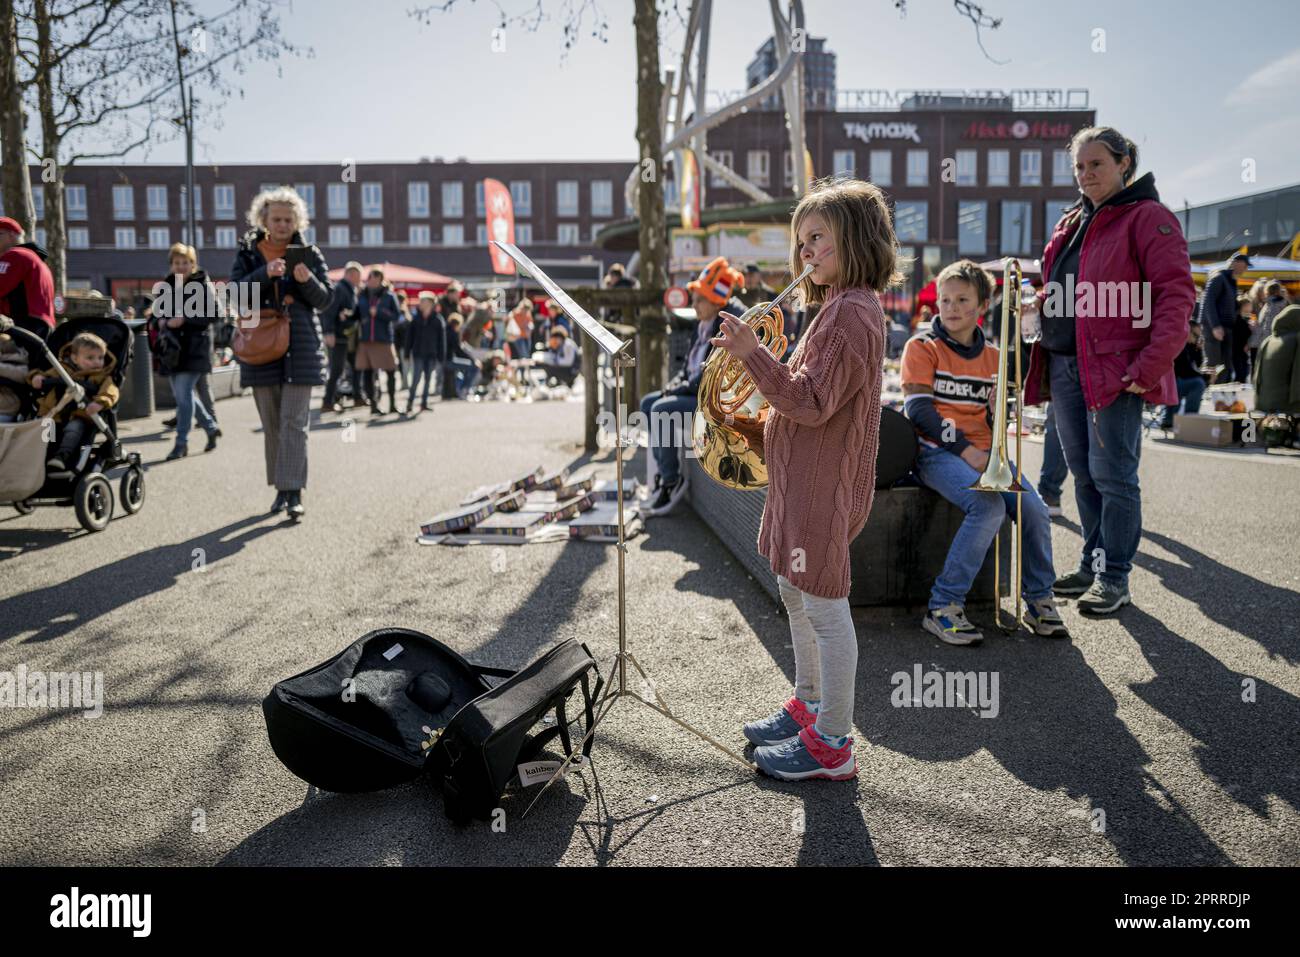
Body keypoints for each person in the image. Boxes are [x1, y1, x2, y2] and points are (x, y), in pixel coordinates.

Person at [712, 179, 890, 782]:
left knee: (824, 605)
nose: (805, 252)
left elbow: (810, 401)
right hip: (802, 482)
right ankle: (811, 705)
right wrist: (755, 425)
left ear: (857, 240)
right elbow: (812, 410)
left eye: (818, 238)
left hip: (821, 492)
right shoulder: (835, 308)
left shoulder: (851, 312)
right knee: (795, 591)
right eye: (801, 240)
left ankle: (833, 744)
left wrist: (750, 356)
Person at [1022, 126, 1196, 615]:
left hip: (1118, 370)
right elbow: (1064, 287)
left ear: (1124, 164)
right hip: (1064, 364)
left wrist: (1150, 365)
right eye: (1079, 166)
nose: (1085, 174)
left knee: (1114, 476)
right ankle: (1094, 564)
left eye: (1096, 164)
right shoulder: (1074, 220)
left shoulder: (1148, 217)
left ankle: (1114, 577)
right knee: (1083, 475)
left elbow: (1176, 295)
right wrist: (1037, 303)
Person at [901, 260, 1067, 645]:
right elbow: (919, 411)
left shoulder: (995, 357)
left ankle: (1039, 599)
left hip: (984, 454)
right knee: (989, 507)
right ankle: (942, 606)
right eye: (945, 299)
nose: (952, 307)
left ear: (981, 306)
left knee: (1035, 510)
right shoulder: (922, 346)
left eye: (962, 299)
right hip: (936, 453)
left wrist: (997, 414)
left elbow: (998, 421)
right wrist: (964, 450)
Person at [230, 186, 332, 519]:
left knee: (294, 423)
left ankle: (293, 492)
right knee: (272, 424)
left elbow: (325, 300)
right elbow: (236, 298)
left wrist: (307, 281)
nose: (283, 224)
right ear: (264, 219)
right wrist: (263, 273)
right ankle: (280, 489)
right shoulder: (247, 251)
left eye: (289, 219)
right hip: (261, 346)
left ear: (297, 220)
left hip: (300, 347)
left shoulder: (310, 253)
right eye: (277, 219)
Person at [640, 256, 746, 515]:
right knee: (647, 402)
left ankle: (671, 481)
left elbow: (708, 376)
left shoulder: (724, 327)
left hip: (712, 400)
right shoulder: (702, 326)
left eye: (699, 300)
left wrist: (677, 389)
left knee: (662, 409)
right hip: (695, 392)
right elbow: (688, 368)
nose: (694, 305)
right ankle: (661, 473)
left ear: (715, 301)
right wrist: (673, 386)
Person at [150, 243, 221, 460]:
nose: (181, 266)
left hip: (195, 349)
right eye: (177, 263)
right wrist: (160, 321)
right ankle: (210, 427)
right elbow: (154, 316)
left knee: (183, 397)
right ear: (171, 265)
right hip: (172, 350)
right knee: (185, 396)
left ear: (193, 264)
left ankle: (181, 443)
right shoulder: (167, 285)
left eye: (186, 262)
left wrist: (185, 319)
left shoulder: (202, 284)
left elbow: (216, 314)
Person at [28, 332, 118, 472]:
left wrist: (100, 402)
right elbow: (44, 376)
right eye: (90, 358)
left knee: (73, 429)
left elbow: (111, 391)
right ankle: (42, 459)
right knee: (46, 433)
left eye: (100, 357)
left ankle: (61, 457)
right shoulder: (61, 370)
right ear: (74, 358)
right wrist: (36, 377)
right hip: (53, 414)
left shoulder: (101, 377)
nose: (97, 362)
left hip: (80, 416)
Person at [0, 217, 55, 362]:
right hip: (39, 330)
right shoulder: (34, 258)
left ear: (11, 235)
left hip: (25, 331)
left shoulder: (15, 256)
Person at [354, 268, 402, 416]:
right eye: (369, 278)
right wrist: (348, 315)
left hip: (383, 339)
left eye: (374, 278)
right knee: (368, 374)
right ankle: (374, 405)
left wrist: (379, 313)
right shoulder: (362, 295)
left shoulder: (389, 295)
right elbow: (357, 314)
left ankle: (393, 404)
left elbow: (396, 316)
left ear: (380, 280)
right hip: (366, 340)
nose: (371, 281)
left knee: (390, 372)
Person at [1199, 252, 1249, 383]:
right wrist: (1215, 326)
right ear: (1236, 263)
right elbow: (1207, 301)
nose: (1246, 268)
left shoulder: (1231, 281)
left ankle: (1221, 399)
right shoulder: (1219, 277)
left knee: (1226, 367)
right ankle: (1207, 397)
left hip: (1225, 328)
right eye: (1245, 265)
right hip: (1214, 329)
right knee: (1214, 365)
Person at [320, 261, 361, 413]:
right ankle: (327, 402)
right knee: (337, 369)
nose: (360, 279)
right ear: (351, 274)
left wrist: (349, 315)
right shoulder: (340, 289)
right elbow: (329, 311)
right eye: (358, 276)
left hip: (345, 336)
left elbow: (348, 312)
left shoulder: (350, 290)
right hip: (338, 336)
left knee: (355, 365)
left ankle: (357, 396)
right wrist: (328, 332)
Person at [1160, 319, 1207, 429]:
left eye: (1199, 336)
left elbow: (1198, 365)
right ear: (1187, 331)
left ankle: (1180, 419)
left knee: (1198, 382)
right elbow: (1185, 370)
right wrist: (1206, 377)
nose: (1197, 339)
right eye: (1195, 335)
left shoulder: (1190, 345)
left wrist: (1199, 350)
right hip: (1172, 381)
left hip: (1178, 380)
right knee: (1198, 383)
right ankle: (1184, 419)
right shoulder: (1179, 345)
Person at [405, 291, 445, 413]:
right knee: (416, 379)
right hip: (418, 353)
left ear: (430, 303)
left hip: (431, 354)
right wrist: (407, 352)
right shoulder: (416, 318)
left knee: (428, 379)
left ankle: (424, 403)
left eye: (423, 301)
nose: (420, 303)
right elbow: (409, 337)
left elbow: (441, 340)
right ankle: (410, 403)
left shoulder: (437, 320)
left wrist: (441, 355)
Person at [445, 313, 480, 398]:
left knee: (465, 367)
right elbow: (458, 350)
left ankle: (462, 388)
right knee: (474, 367)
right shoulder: (452, 333)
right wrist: (472, 359)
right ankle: (464, 389)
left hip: (446, 359)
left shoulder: (445, 331)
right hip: (449, 360)